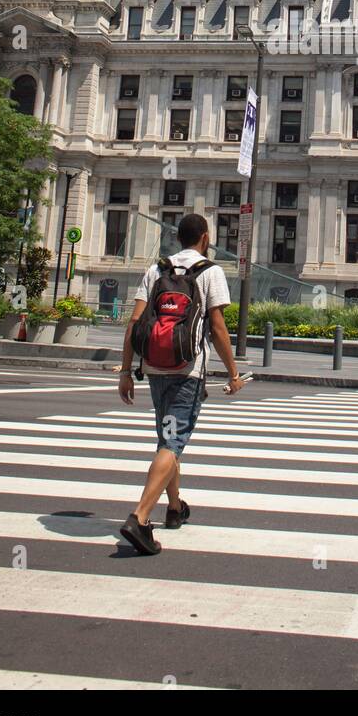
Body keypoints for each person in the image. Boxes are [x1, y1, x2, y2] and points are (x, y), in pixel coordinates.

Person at [118, 213, 246, 556]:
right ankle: (140, 517)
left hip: (154, 368)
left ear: (177, 238)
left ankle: (174, 508)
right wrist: (233, 373)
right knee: (172, 442)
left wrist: (126, 370)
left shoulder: (157, 269)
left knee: (168, 438)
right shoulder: (210, 271)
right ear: (205, 238)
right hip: (187, 369)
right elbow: (218, 328)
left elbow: (133, 323)